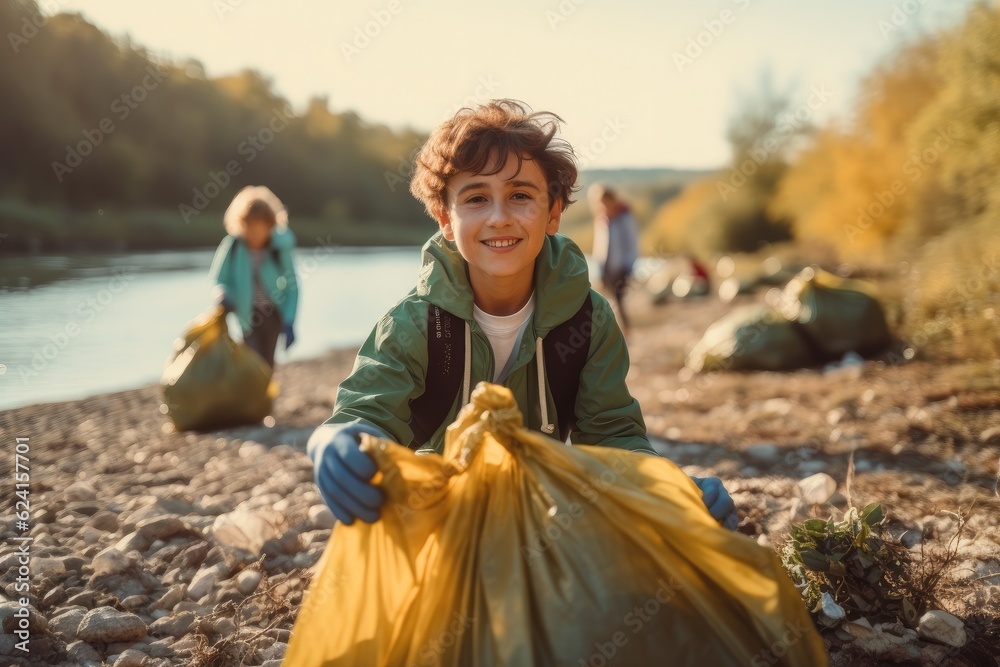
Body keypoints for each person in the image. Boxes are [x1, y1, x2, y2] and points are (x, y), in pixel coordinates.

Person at [307, 99, 735, 529]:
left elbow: (612, 435)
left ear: (552, 213)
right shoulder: (413, 324)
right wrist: (338, 438)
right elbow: (369, 413)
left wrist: (665, 482)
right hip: (443, 512)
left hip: (546, 511)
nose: (499, 217)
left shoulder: (588, 319)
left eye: (520, 196)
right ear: (445, 220)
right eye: (475, 198)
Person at [209, 185, 298, 368]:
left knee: (267, 364)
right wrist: (223, 295)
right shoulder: (233, 246)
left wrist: (289, 321)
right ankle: (251, 394)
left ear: (270, 226)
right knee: (251, 361)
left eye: (260, 229)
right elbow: (220, 279)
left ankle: (263, 395)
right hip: (246, 315)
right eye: (251, 228)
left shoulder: (278, 249)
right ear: (242, 224)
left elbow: (292, 287)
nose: (255, 234)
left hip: (273, 315)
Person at [588, 183, 638, 335]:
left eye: (605, 201)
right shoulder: (602, 220)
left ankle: (625, 330)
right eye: (599, 203)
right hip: (606, 267)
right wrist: (599, 268)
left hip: (622, 266)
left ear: (612, 199)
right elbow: (599, 246)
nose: (603, 205)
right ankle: (620, 330)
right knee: (610, 299)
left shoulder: (624, 217)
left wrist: (629, 265)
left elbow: (632, 242)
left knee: (618, 298)